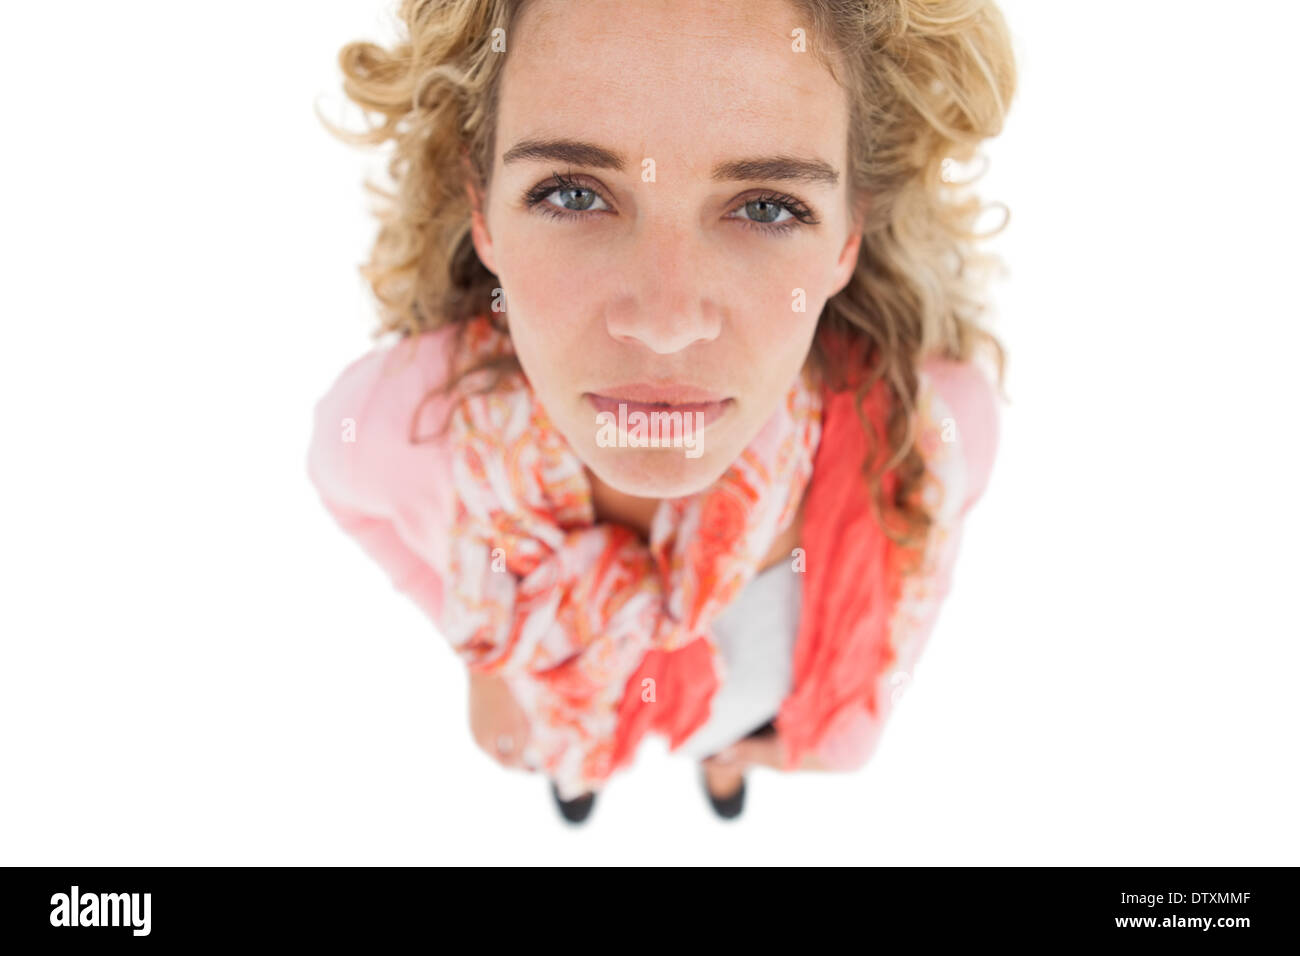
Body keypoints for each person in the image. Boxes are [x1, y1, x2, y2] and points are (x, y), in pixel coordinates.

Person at [307, 0, 1016, 823]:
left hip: (747, 710)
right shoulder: (403, 426)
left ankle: (721, 765)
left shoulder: (927, 433)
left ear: (846, 240)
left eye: (765, 206)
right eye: (572, 194)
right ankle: (584, 770)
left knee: (731, 735)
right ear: (482, 209)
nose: (666, 324)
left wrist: (830, 737)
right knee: (575, 763)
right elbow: (351, 501)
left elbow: (909, 603)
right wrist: (488, 666)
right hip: (560, 712)